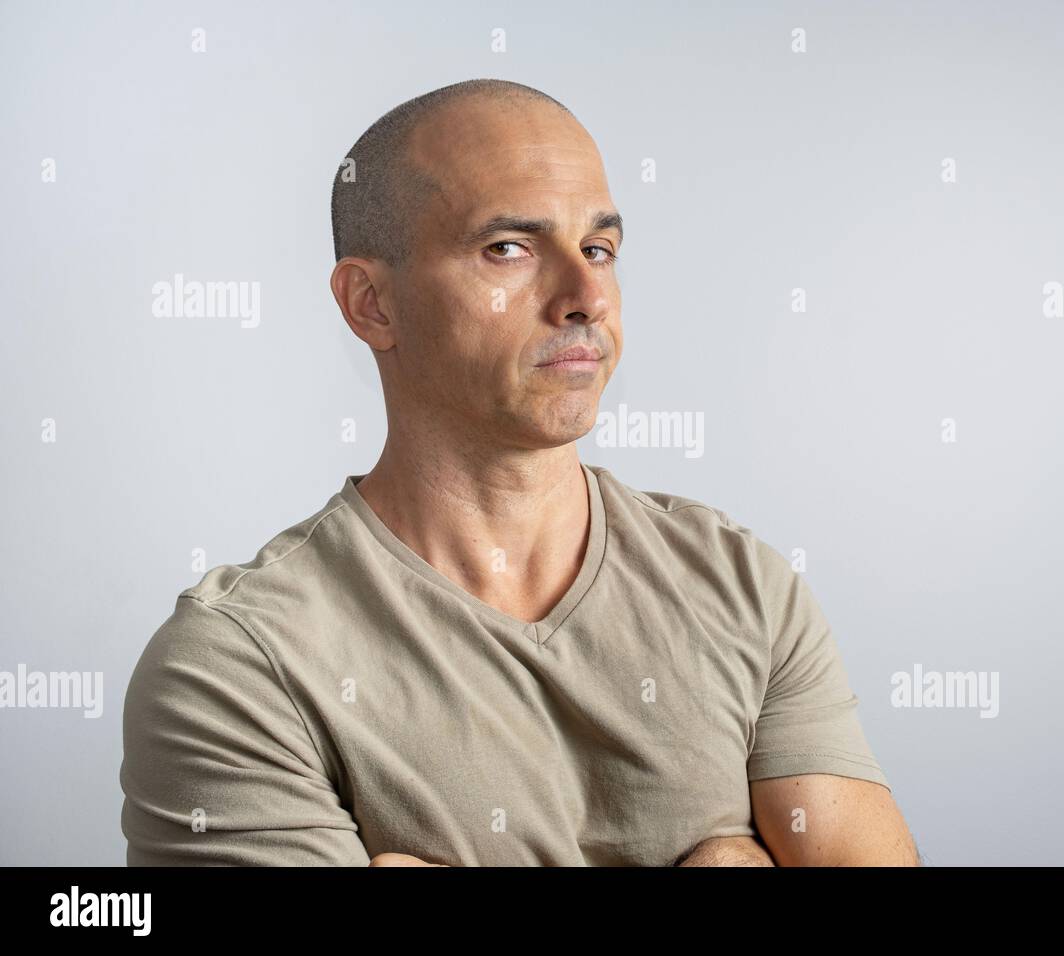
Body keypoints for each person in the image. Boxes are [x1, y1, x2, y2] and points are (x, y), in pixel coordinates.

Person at [120, 78, 919, 867]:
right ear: (371, 303)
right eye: (508, 248)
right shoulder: (239, 664)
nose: (585, 296)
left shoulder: (743, 587)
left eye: (599, 249)